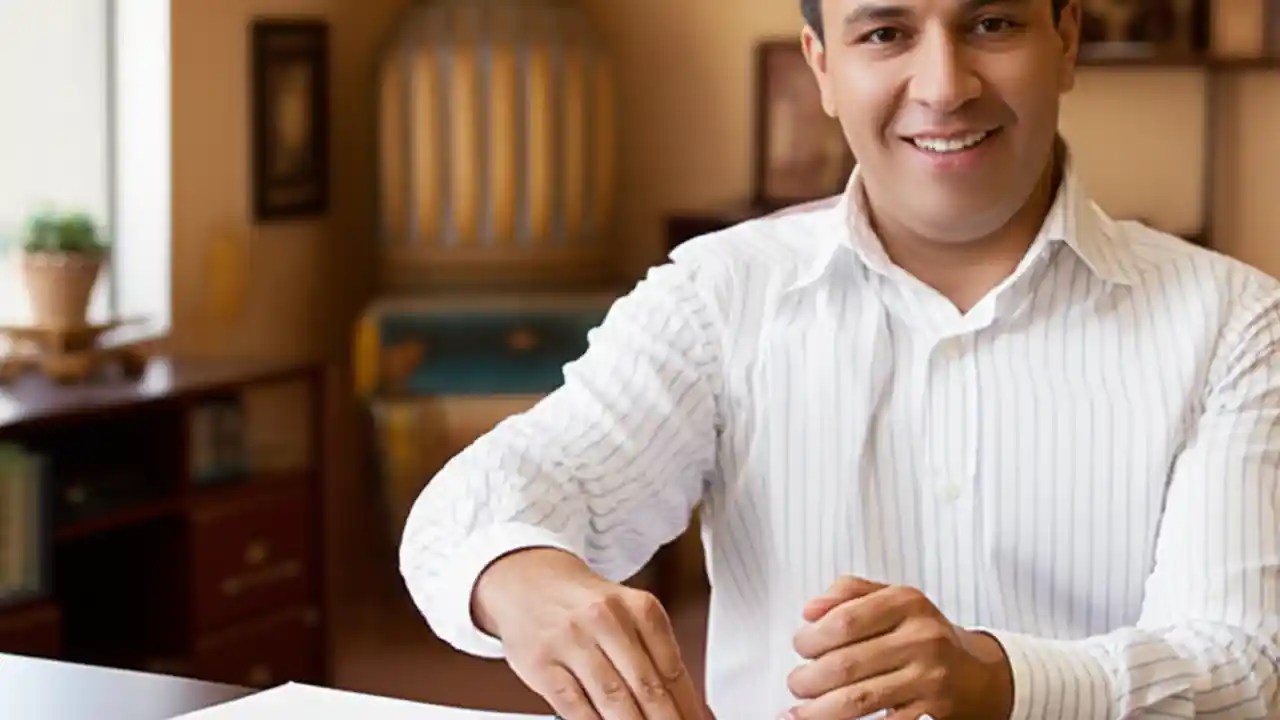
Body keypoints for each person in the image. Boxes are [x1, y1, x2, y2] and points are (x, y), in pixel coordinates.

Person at [399, 0, 1280, 718]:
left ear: (1068, 38)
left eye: (992, 25)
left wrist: (1002, 680)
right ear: (822, 65)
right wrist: (515, 575)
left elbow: (1246, 664)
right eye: (886, 33)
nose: (943, 86)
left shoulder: (1236, 322)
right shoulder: (719, 294)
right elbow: (479, 503)